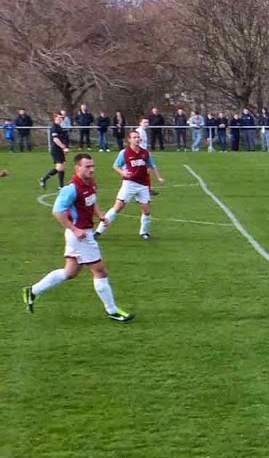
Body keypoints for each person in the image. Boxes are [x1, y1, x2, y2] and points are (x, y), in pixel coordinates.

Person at [23, 153, 134, 323]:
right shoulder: (71, 188)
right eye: (88, 166)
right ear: (77, 168)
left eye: (93, 166)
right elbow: (57, 212)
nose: (92, 169)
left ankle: (33, 291)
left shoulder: (91, 183)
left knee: (70, 272)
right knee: (100, 270)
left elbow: (92, 200)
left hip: (83, 232)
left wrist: (100, 215)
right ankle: (112, 310)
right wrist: (75, 230)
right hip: (81, 235)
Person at [96, 129, 164, 240]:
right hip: (129, 183)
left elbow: (152, 165)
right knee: (117, 207)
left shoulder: (145, 152)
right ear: (129, 140)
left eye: (138, 137)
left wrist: (159, 177)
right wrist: (123, 172)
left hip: (143, 185)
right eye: (134, 137)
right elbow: (115, 166)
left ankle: (144, 232)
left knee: (146, 210)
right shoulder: (124, 153)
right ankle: (99, 231)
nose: (137, 139)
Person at [40, 113, 71, 189]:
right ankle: (43, 179)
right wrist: (63, 147)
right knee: (60, 167)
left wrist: (65, 147)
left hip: (59, 149)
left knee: (63, 166)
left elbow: (63, 138)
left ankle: (61, 185)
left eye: (62, 117)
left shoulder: (59, 127)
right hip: (55, 149)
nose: (61, 119)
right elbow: (55, 139)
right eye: (59, 117)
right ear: (55, 118)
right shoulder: (54, 127)